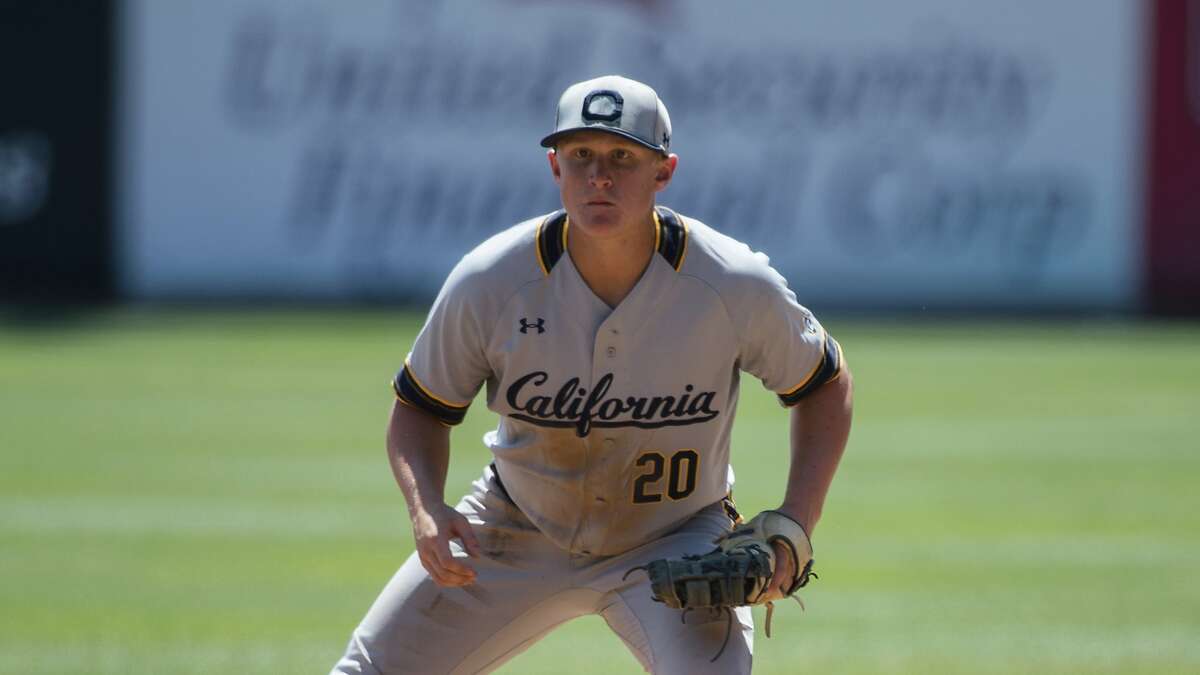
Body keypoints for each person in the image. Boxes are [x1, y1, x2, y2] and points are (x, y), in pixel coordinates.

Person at [330, 75, 853, 675]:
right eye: (580, 155)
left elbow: (823, 385)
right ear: (555, 167)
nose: (598, 176)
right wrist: (425, 509)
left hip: (676, 536)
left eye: (622, 157)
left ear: (665, 171)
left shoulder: (731, 283)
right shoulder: (491, 280)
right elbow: (422, 405)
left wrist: (795, 522)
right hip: (510, 528)